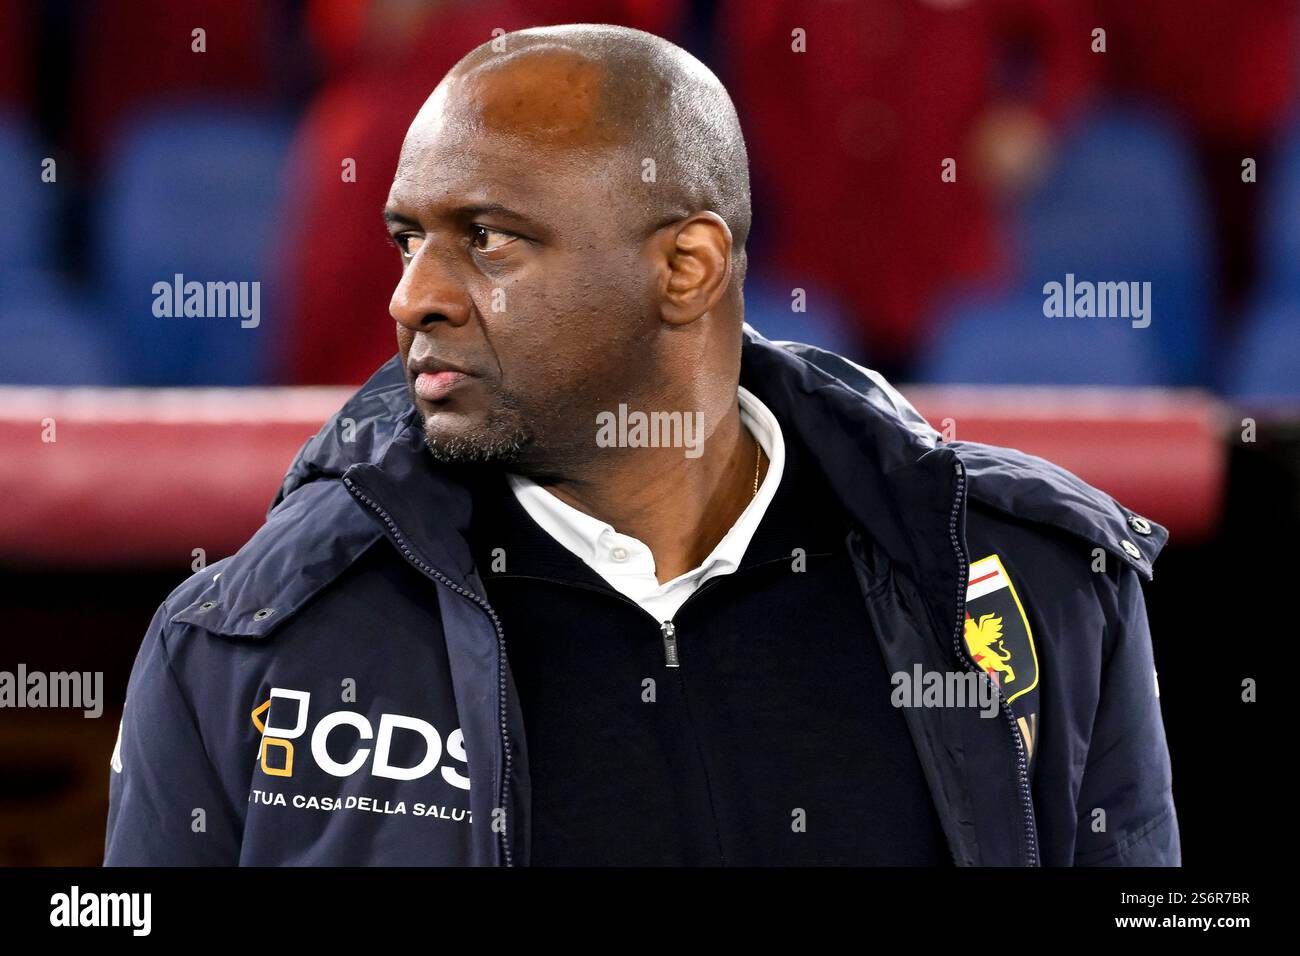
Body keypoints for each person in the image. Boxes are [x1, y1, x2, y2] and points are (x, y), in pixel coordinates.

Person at [103, 24, 1179, 866]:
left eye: (486, 238)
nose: (413, 297)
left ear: (686, 267)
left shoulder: (1039, 582)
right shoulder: (240, 642)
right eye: (406, 238)